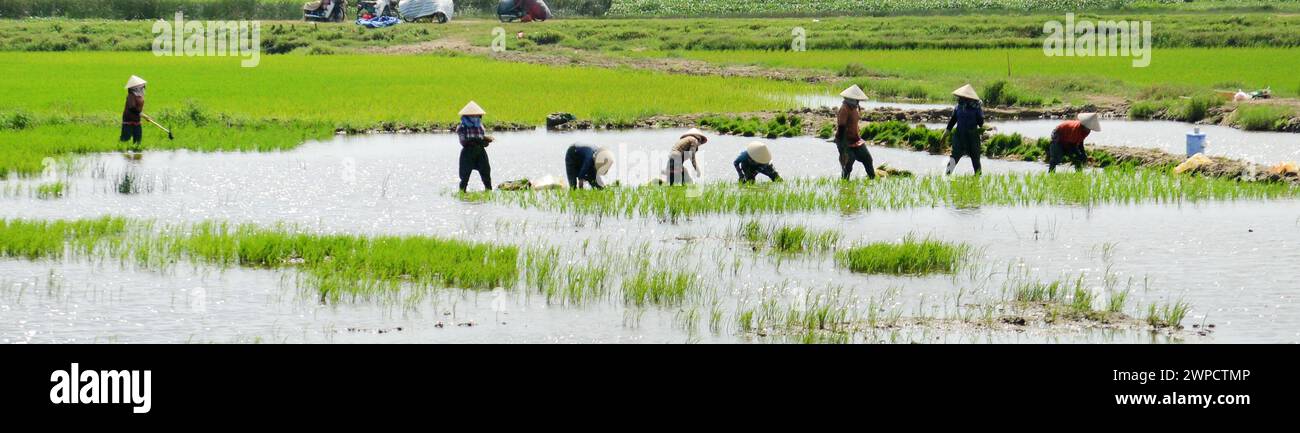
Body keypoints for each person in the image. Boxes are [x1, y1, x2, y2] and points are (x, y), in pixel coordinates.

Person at [944, 84, 985, 175]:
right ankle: (947, 175)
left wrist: (980, 115)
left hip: (972, 137)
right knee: (954, 158)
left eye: (962, 97)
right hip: (960, 136)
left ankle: (978, 177)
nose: (960, 98)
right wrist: (945, 133)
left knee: (975, 159)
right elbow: (953, 121)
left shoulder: (976, 107)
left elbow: (981, 123)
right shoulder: (959, 107)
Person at [836, 85, 875, 180]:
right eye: (857, 100)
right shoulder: (844, 109)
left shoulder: (854, 108)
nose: (858, 101)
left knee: (868, 159)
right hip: (845, 141)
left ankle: (873, 180)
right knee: (848, 165)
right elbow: (841, 126)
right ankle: (844, 184)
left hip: (856, 139)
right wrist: (842, 146)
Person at [455, 101, 493, 192]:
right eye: (473, 115)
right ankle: (462, 192)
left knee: (486, 173)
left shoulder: (480, 126)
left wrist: (485, 140)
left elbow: (481, 137)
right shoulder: (462, 127)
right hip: (468, 153)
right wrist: (475, 141)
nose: (475, 117)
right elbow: (463, 141)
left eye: (477, 115)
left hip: (480, 152)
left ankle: (488, 192)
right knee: (464, 176)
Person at [121, 75, 147, 147]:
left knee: (138, 139)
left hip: (137, 120)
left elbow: (139, 108)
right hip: (129, 120)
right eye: (141, 86)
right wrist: (142, 115)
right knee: (125, 139)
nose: (143, 87)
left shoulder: (140, 95)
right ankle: (122, 151)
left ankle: (137, 151)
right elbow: (132, 107)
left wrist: (142, 114)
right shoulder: (131, 95)